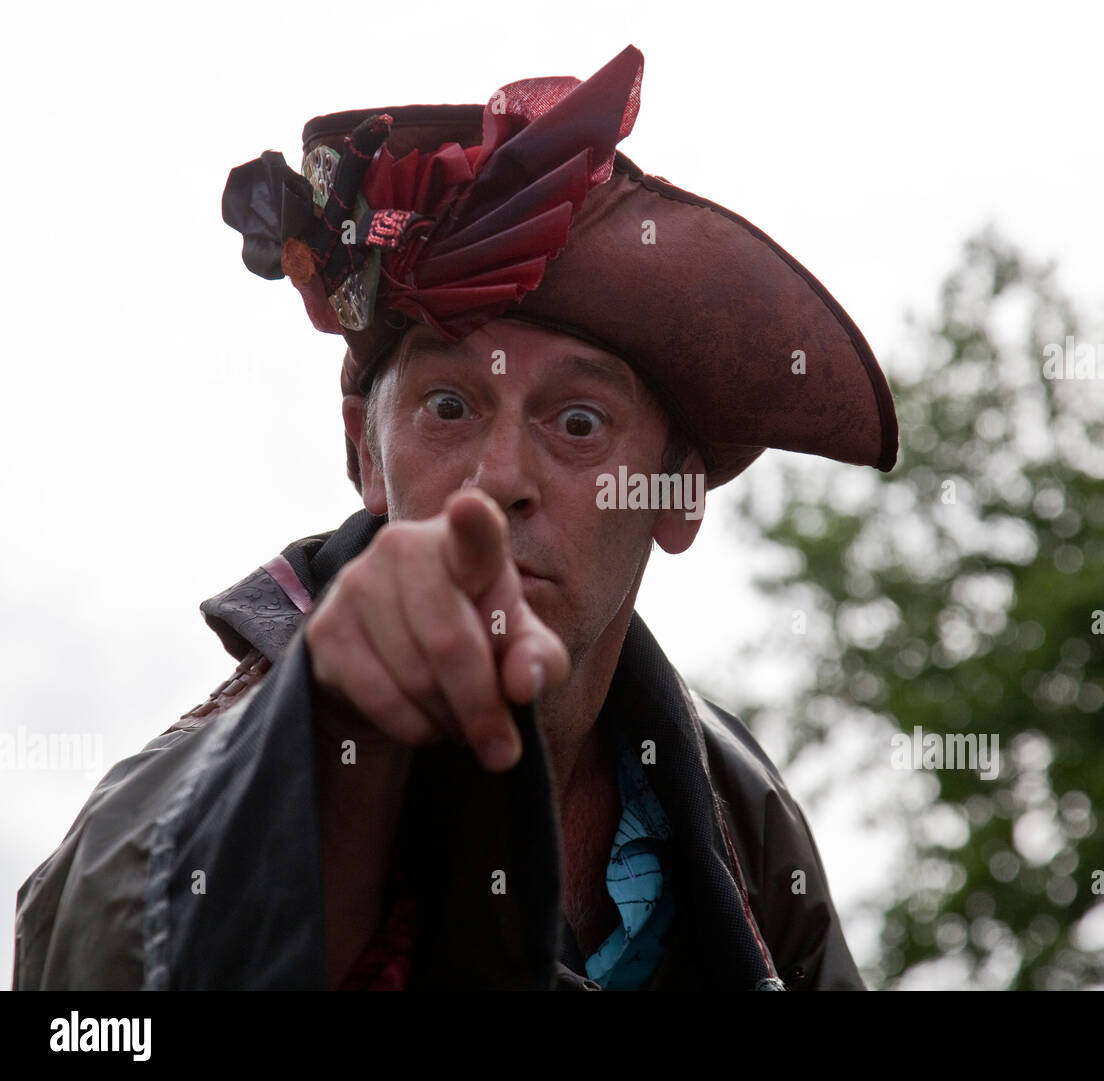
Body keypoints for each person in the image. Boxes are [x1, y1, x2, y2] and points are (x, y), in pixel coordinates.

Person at [12, 44, 897, 991]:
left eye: (579, 423)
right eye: (448, 406)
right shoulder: (154, 824)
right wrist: (328, 769)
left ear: (678, 497)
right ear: (364, 450)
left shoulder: (746, 822)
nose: (497, 479)